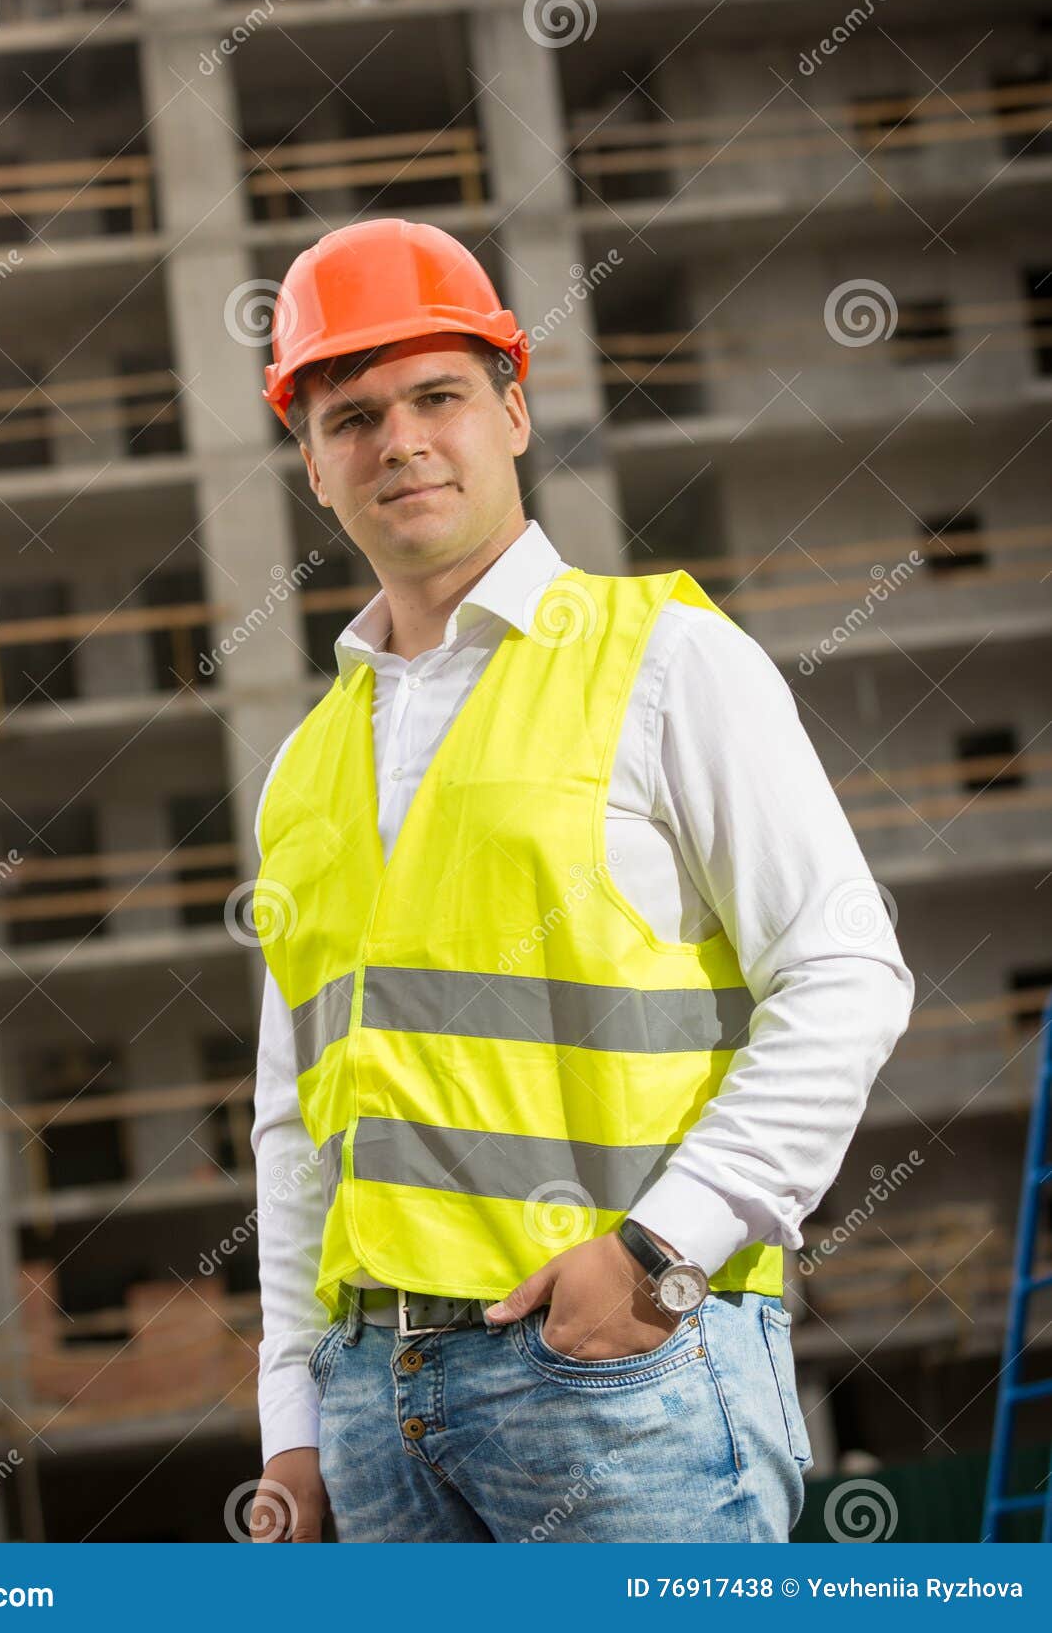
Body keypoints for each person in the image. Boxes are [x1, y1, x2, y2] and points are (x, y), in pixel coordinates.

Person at [246, 219, 913, 1542]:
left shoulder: (665, 659)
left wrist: (658, 1259)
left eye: (437, 396)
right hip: (376, 1408)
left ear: (510, 408)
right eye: (351, 415)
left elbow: (844, 976)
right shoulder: (303, 768)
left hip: (619, 1375)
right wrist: (294, 1415)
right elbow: (291, 1121)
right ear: (313, 464)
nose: (399, 441)